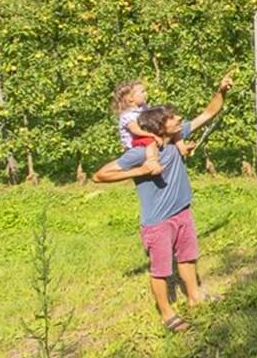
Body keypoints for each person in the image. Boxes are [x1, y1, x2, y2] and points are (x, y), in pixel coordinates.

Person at [93, 73, 232, 333]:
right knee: (161, 270)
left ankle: (195, 298)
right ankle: (166, 314)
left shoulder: (174, 137)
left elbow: (208, 113)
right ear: (159, 127)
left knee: (188, 258)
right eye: (172, 118)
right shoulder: (140, 153)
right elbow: (100, 175)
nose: (179, 119)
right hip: (157, 222)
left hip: (183, 211)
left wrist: (221, 91)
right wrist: (142, 171)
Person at [111, 80, 159, 150]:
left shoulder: (144, 107)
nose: (146, 94)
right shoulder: (128, 116)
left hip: (144, 141)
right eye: (142, 92)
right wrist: (153, 135)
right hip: (134, 147)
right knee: (151, 141)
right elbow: (136, 131)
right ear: (131, 98)